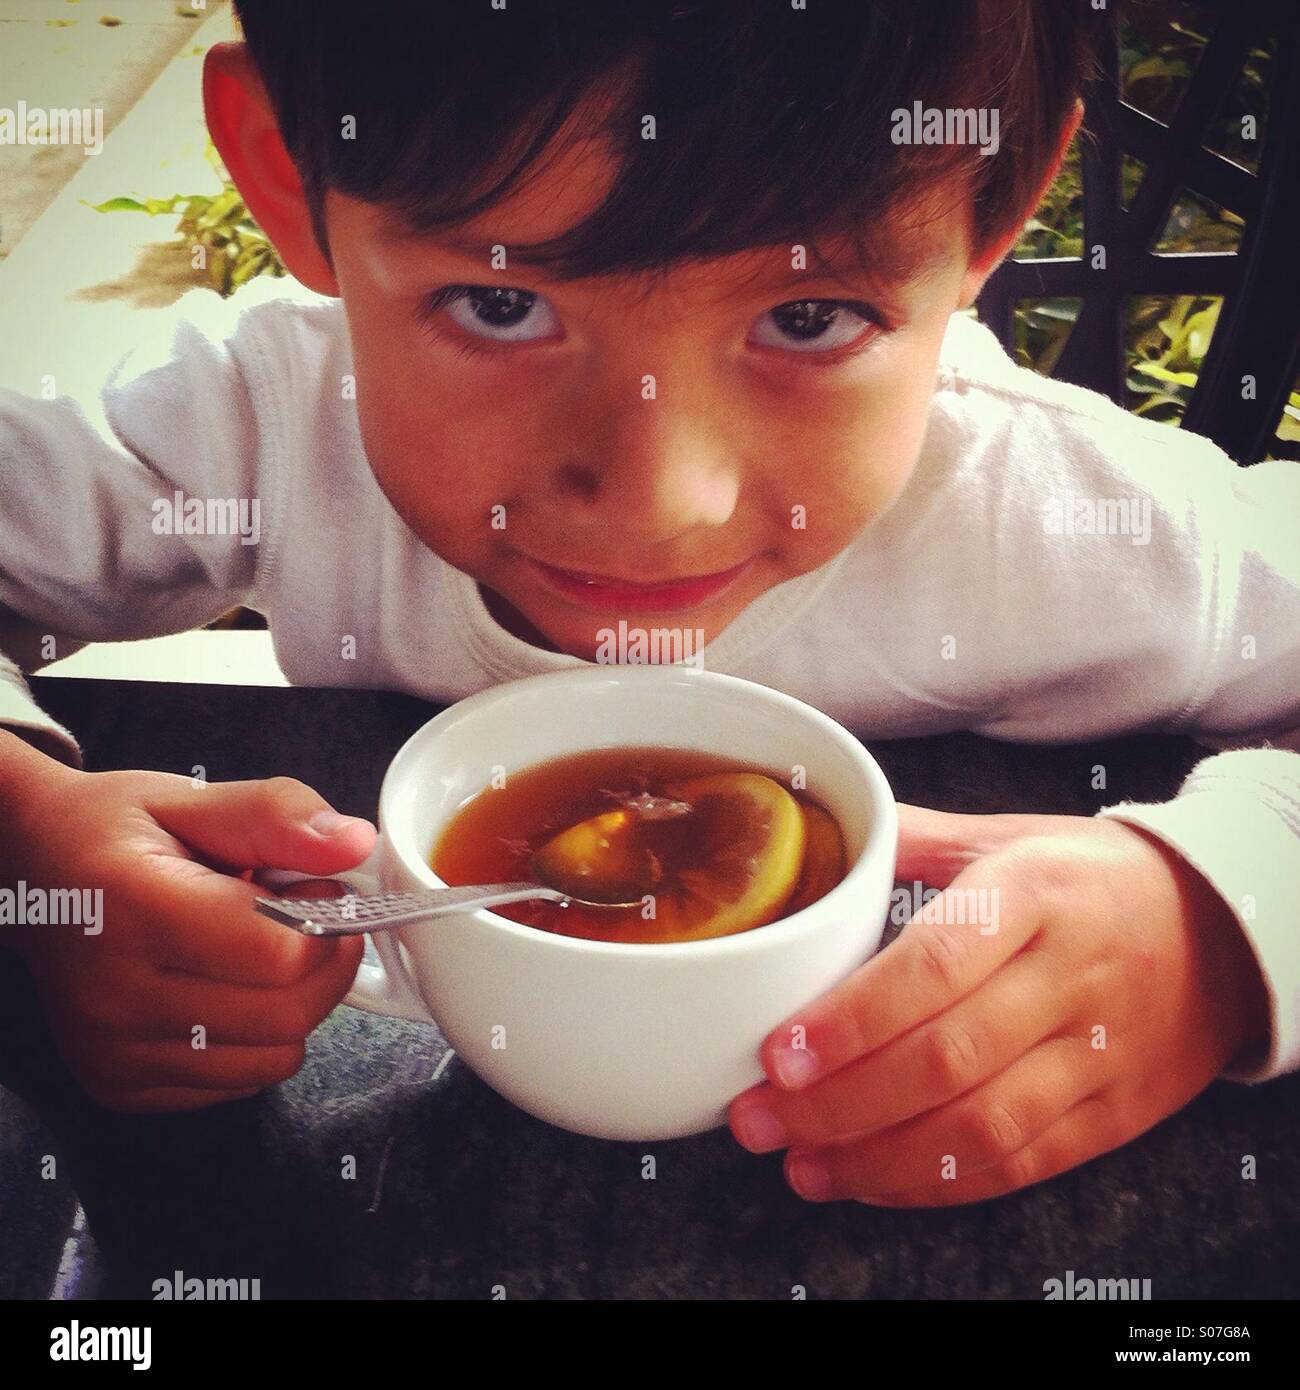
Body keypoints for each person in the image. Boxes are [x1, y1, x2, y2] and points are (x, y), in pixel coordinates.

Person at [1, 0, 1296, 1208]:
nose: (658, 499)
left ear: (990, 214)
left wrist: (1220, 916)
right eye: (502, 303)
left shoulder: (1060, 525)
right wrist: (33, 823)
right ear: (291, 173)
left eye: (809, 317)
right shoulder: (265, 430)